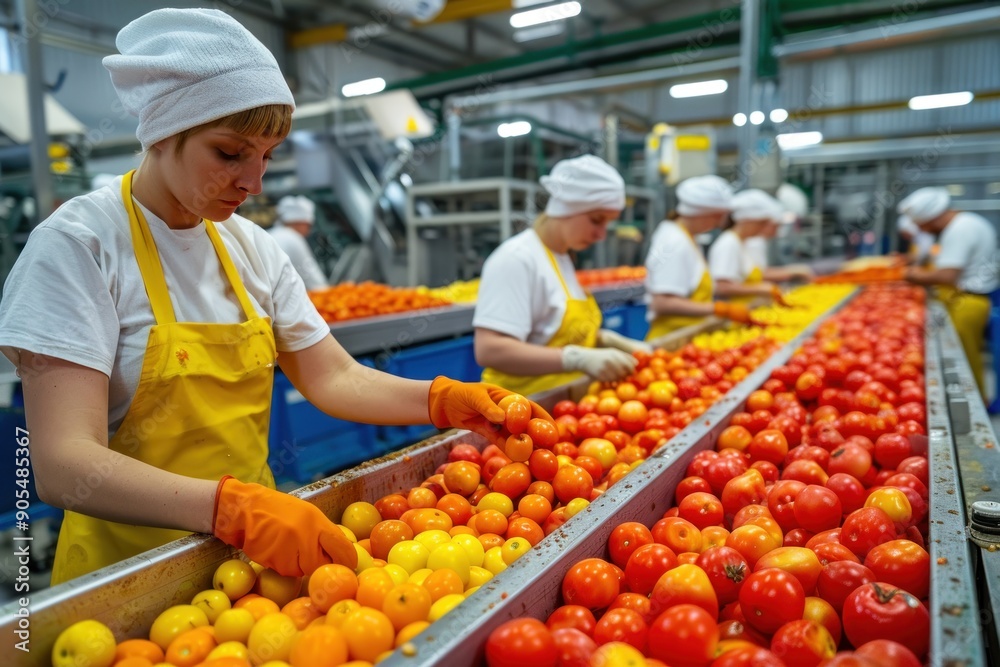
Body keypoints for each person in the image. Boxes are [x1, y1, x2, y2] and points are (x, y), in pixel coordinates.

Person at [0, 8, 551, 585]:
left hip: (255, 565)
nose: (253, 181)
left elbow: (334, 378)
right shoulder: (79, 246)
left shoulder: (251, 248)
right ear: (163, 133)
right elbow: (64, 465)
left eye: (267, 155)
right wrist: (229, 508)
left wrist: (440, 400)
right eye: (230, 152)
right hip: (124, 578)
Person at [473, 155, 649, 395]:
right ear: (568, 208)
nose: (601, 235)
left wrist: (603, 339)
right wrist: (574, 358)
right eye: (597, 220)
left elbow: (549, 331)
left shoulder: (561, 257)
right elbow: (489, 349)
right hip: (516, 411)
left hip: (560, 405)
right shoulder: (517, 259)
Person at [899, 186, 999, 393]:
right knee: (969, 358)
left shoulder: (959, 229)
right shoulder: (967, 223)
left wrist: (910, 275)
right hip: (970, 297)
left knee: (965, 362)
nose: (924, 232)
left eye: (924, 226)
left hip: (968, 302)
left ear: (933, 218)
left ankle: (977, 406)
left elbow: (947, 275)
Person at [644, 175, 758, 340]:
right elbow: (662, 303)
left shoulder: (687, 238)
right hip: (671, 341)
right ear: (702, 213)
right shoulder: (674, 241)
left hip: (686, 336)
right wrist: (720, 309)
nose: (719, 224)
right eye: (717, 217)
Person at [708, 189, 790, 304]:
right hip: (735, 317)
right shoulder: (728, 243)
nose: (762, 228)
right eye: (761, 223)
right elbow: (721, 286)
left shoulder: (743, 243)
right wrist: (761, 288)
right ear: (747, 220)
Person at [270, 194, 329, 291]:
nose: (309, 231)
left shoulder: (270, 234)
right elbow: (313, 280)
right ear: (300, 223)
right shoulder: (292, 237)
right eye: (309, 226)